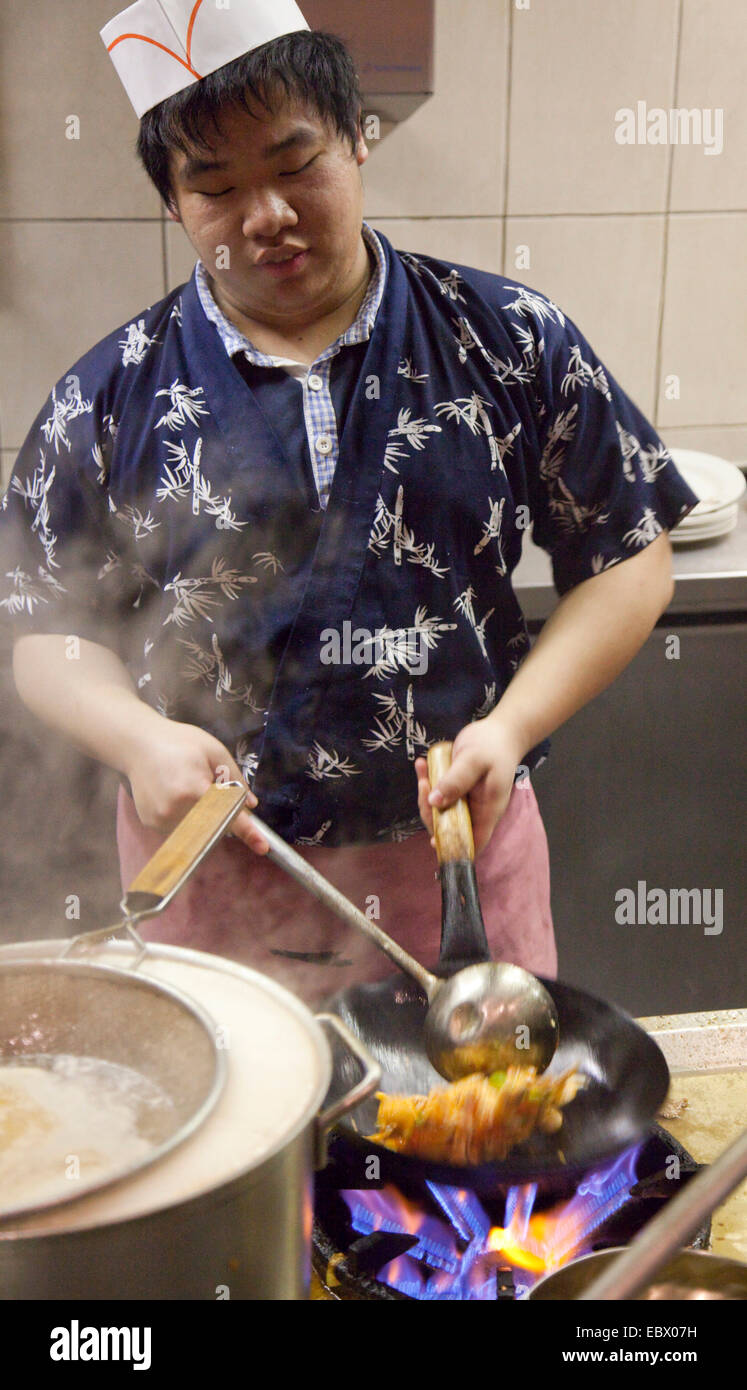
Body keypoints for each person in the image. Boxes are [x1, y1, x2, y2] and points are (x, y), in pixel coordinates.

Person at [0, 4, 697, 1001]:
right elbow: (42, 632)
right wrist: (137, 738)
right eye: (218, 186)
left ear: (359, 138)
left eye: (296, 164)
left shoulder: (508, 339)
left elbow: (630, 555)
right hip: (213, 879)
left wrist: (508, 729)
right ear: (173, 202)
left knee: (474, 1133)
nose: (267, 215)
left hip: (454, 862)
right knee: (249, 1146)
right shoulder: (108, 395)